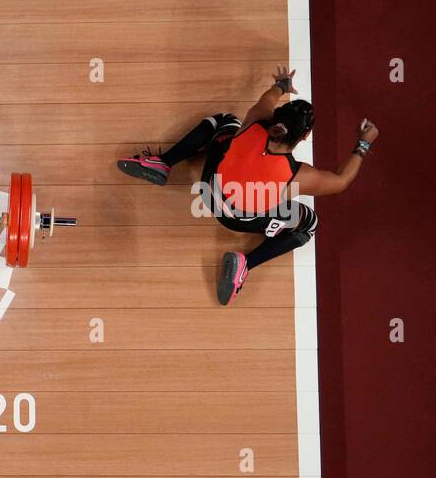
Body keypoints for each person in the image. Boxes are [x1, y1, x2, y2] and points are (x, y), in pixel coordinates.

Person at [116, 66, 379, 304]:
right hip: (234, 219)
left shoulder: (255, 119)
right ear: (306, 136)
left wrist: (283, 84)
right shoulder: (298, 174)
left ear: (276, 118)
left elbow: (271, 95)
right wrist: (364, 143)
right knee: (309, 223)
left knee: (224, 122)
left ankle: (164, 162)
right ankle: (246, 263)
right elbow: (342, 181)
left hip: (209, 189)